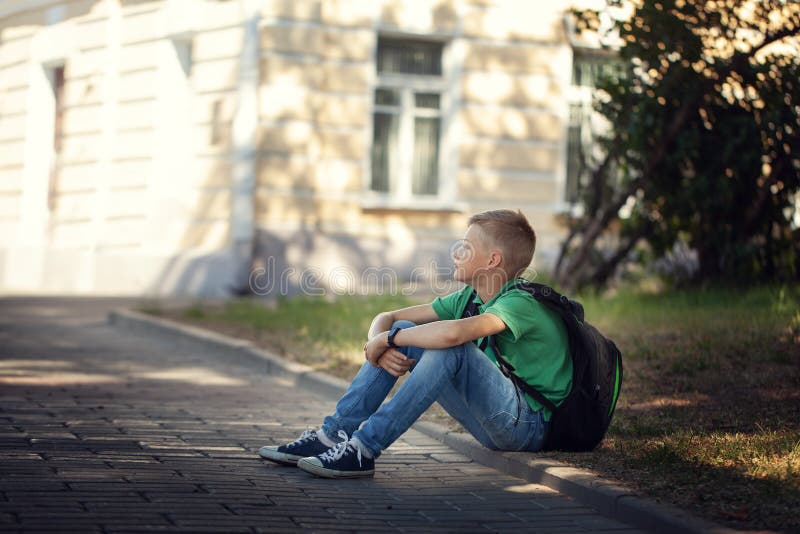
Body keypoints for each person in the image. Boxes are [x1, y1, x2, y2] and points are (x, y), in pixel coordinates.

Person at [258, 209, 572, 478]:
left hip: (527, 427)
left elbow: (453, 336)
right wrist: (378, 344)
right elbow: (390, 316)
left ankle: (363, 449)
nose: (455, 253)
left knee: (452, 349)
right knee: (411, 330)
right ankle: (332, 435)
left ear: (492, 260)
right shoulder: (469, 297)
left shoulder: (521, 302)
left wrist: (389, 339)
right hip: (494, 422)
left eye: (465, 247)